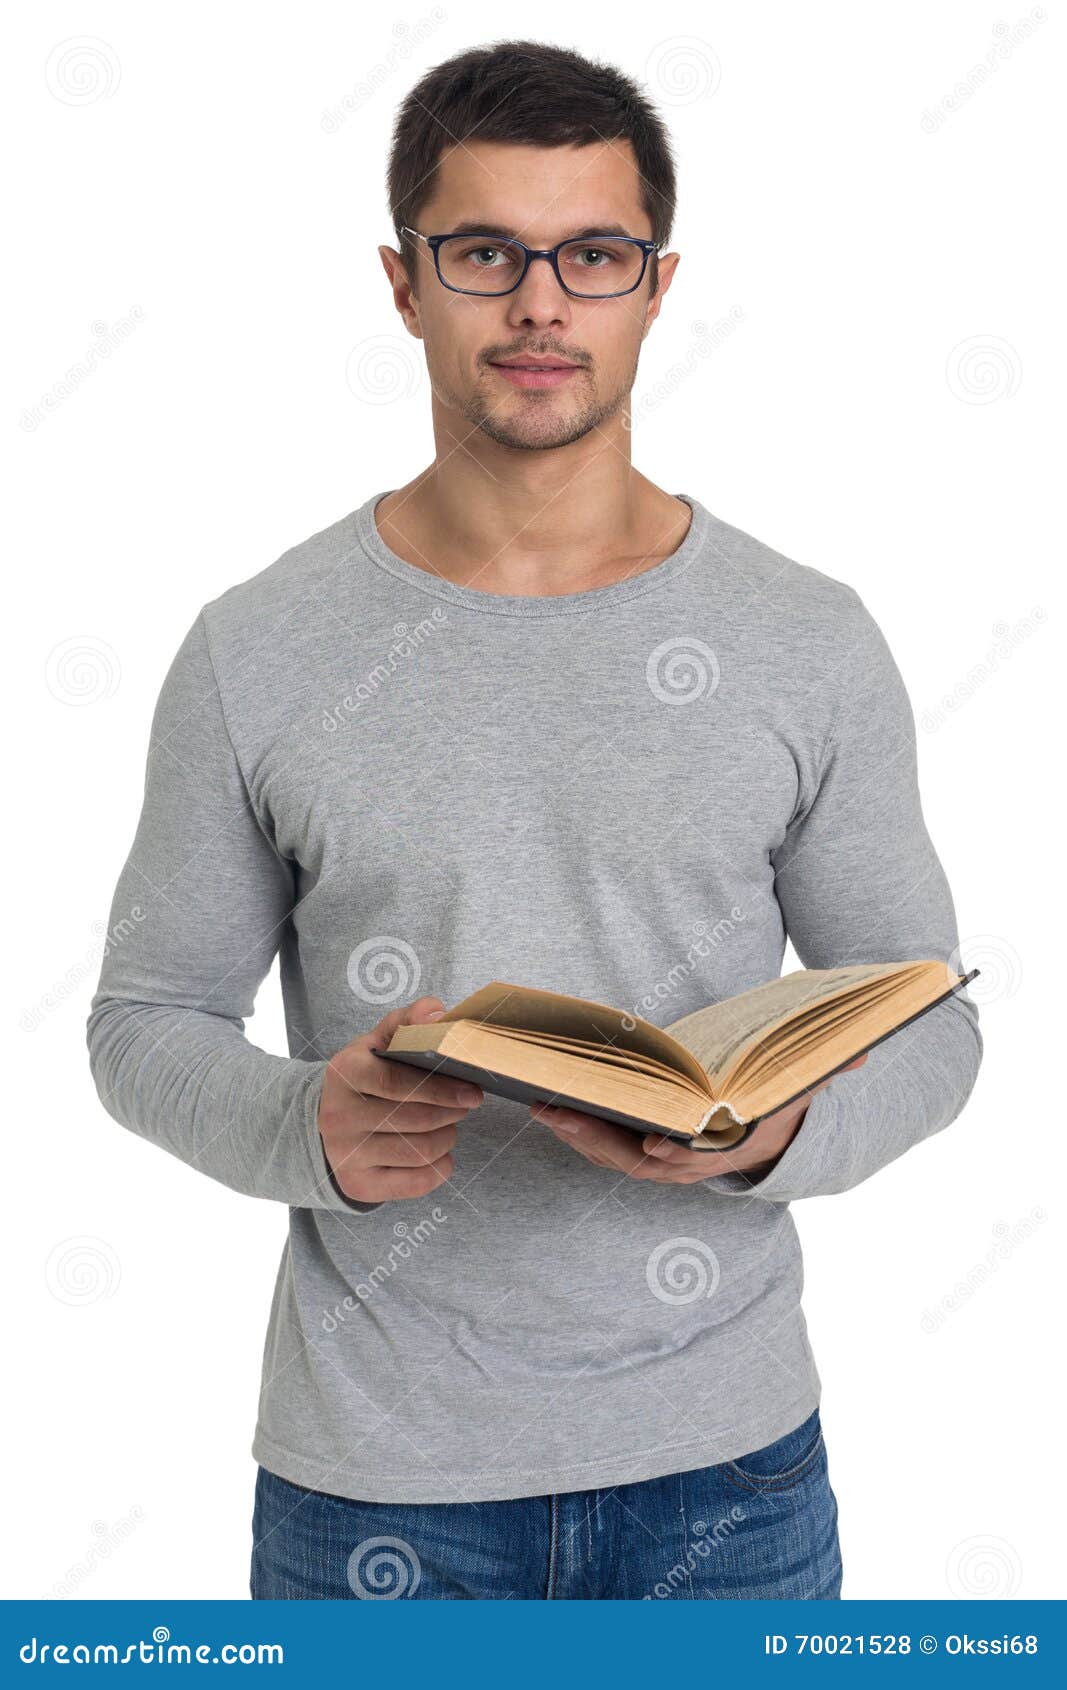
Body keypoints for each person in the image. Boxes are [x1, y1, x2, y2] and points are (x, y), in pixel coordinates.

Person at [86, 39, 982, 1601]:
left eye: (594, 254)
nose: (541, 303)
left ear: (656, 281)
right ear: (404, 281)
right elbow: (144, 1019)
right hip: (375, 1488)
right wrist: (309, 1127)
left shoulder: (806, 637)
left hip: (734, 1478)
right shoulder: (260, 645)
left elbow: (930, 1017)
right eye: (486, 252)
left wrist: (776, 1129)